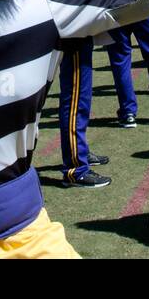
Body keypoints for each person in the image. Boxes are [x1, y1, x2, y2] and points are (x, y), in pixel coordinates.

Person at [57, 38, 111, 188]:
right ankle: (76, 169)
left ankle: (80, 153)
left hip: (79, 33)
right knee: (76, 100)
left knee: (80, 99)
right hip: (73, 35)